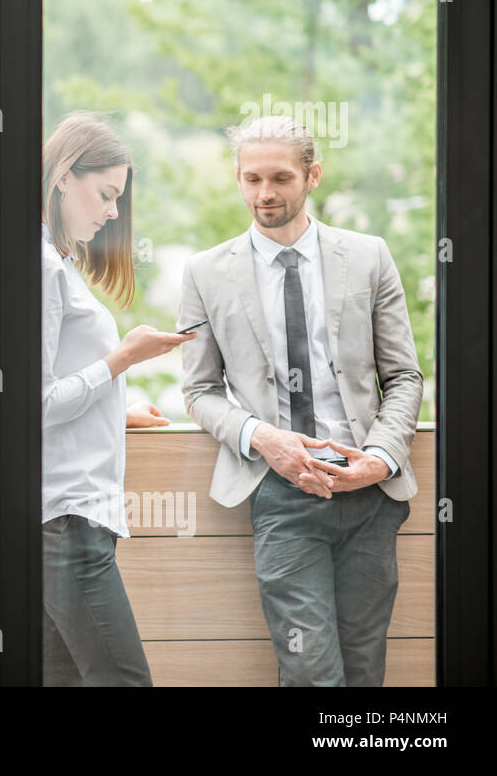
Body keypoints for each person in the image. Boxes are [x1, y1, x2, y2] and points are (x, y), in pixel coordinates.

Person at [179, 115, 421, 686]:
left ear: (313, 175)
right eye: (251, 178)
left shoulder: (368, 256)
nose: (264, 194)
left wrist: (378, 460)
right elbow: (199, 391)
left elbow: (405, 376)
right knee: (311, 667)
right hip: (279, 493)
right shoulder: (205, 272)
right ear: (237, 179)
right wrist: (265, 439)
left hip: (369, 491)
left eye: (281, 178)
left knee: (364, 666)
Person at [40, 112, 194, 686]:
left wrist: (114, 406)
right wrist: (124, 358)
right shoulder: (43, 269)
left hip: (64, 520)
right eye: (105, 195)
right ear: (63, 178)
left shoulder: (57, 265)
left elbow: (61, 386)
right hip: (68, 522)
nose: (111, 213)